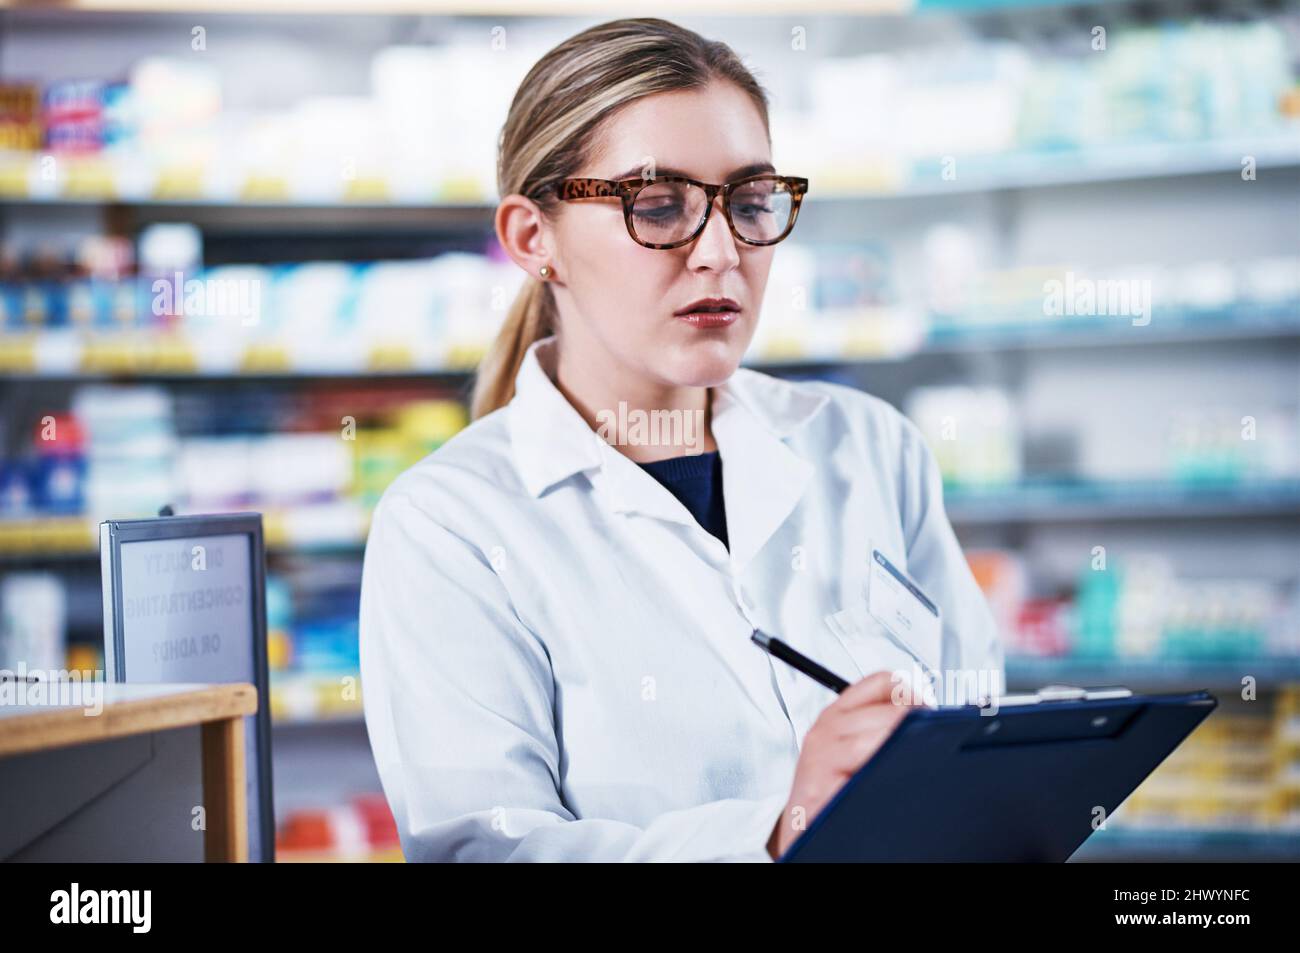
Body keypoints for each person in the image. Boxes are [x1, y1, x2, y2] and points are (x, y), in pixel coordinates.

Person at [359, 16, 1003, 862]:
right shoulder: (451, 527)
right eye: (658, 206)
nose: (720, 251)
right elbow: (483, 852)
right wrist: (774, 834)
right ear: (531, 238)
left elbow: (978, 738)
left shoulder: (869, 447)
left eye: (749, 202)